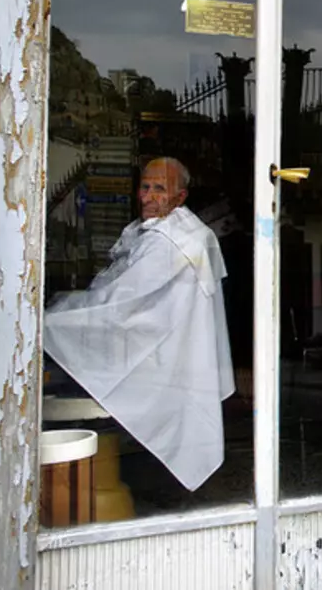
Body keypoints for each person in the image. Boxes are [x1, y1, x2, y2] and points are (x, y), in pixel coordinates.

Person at [43, 157, 234, 492]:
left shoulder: (171, 242)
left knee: (54, 341)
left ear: (180, 197)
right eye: (144, 187)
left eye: (159, 189)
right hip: (168, 355)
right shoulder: (178, 231)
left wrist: (55, 315)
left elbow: (116, 306)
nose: (147, 197)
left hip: (159, 361)